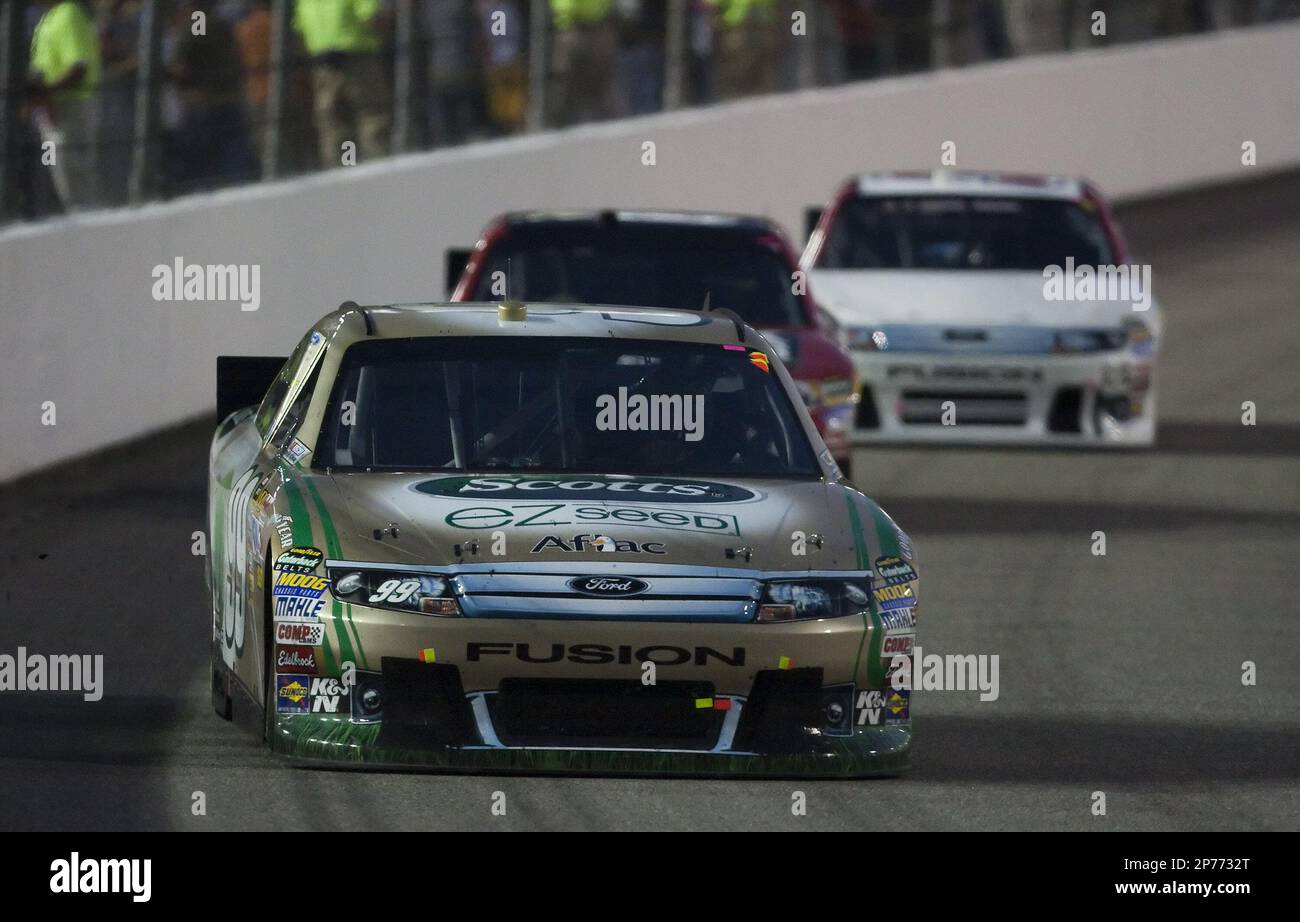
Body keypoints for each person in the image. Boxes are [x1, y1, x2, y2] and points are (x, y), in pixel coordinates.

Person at [293, 0, 391, 166]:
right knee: (371, 116)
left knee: (336, 122)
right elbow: (370, 19)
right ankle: (378, 167)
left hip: (323, 65)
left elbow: (300, 33)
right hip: (357, 60)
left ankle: (346, 167)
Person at [28, 0, 103, 210]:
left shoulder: (68, 13)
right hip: (50, 112)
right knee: (57, 172)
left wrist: (46, 94)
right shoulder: (46, 19)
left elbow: (78, 68)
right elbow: (41, 66)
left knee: (76, 174)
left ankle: (89, 225)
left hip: (72, 107)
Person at [548, 0, 620, 126]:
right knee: (564, 76)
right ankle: (557, 120)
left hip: (598, 22)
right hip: (570, 24)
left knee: (603, 74)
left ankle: (607, 117)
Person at [708, 0, 783, 102]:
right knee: (734, 57)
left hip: (758, 23)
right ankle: (733, 89)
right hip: (734, 24)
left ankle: (757, 87)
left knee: (759, 56)